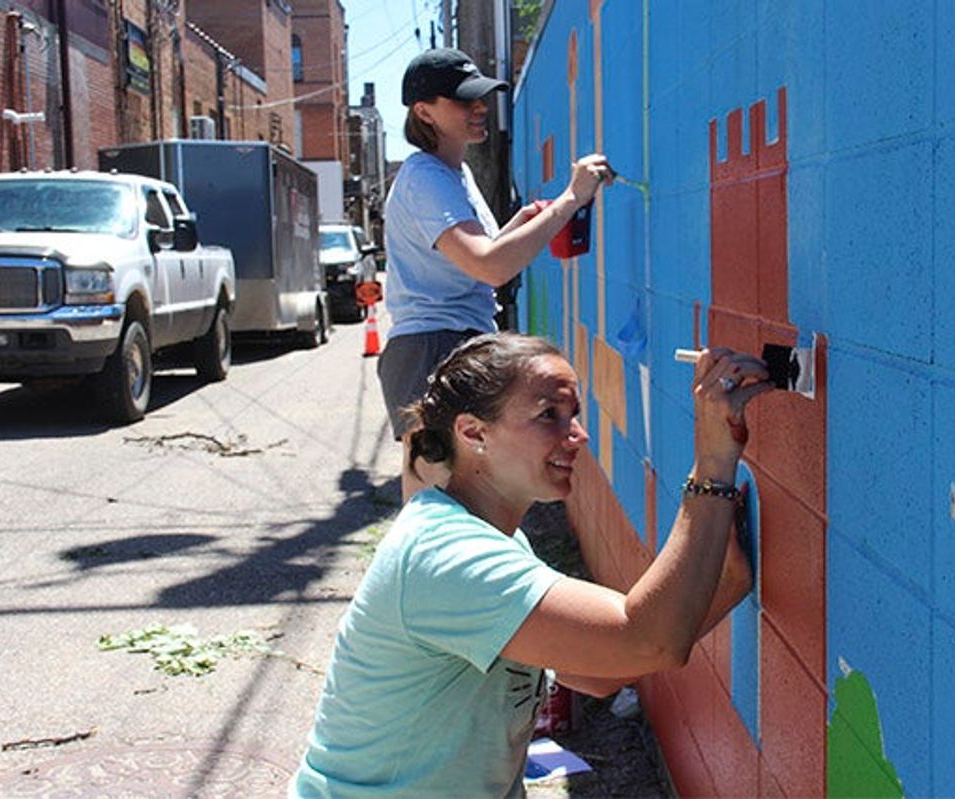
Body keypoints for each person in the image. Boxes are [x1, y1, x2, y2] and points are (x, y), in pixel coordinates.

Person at [291, 332, 774, 797]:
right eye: (549, 415)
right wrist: (713, 460)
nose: (578, 435)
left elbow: (599, 674)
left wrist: (728, 582)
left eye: (574, 415)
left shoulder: (496, 540)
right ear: (473, 432)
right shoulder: (450, 557)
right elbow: (646, 641)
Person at [378, 48, 614, 501]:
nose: (480, 107)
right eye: (465, 100)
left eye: (481, 98)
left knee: (458, 494)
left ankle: (434, 572)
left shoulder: (454, 172)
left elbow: (478, 264)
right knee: (438, 496)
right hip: (432, 343)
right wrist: (571, 199)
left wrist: (521, 224)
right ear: (424, 111)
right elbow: (489, 264)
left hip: (452, 338)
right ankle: (422, 574)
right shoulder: (425, 176)